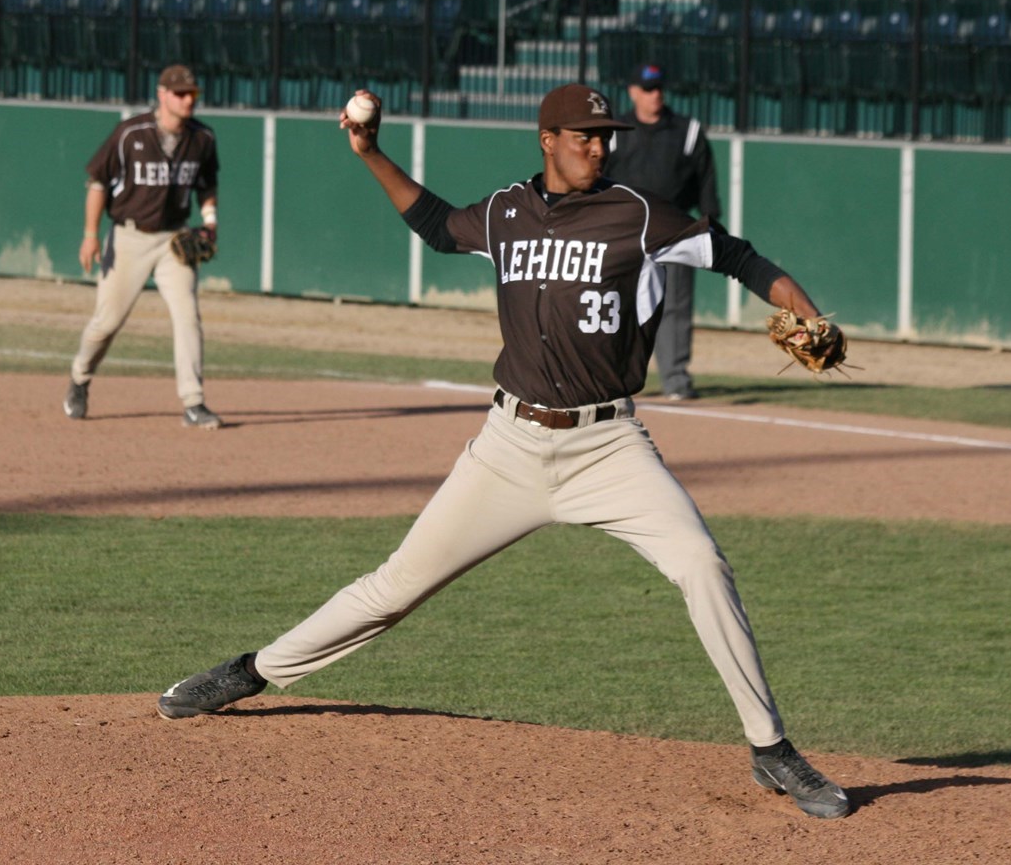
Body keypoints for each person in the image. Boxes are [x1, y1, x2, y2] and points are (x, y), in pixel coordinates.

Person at [157, 84, 853, 820]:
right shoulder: (504, 213)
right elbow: (433, 225)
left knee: (702, 564)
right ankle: (251, 670)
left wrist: (803, 312)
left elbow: (737, 256)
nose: (599, 146)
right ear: (547, 138)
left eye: (604, 135)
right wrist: (369, 152)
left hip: (609, 446)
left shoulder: (639, 215)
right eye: (584, 134)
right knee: (395, 588)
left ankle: (771, 750)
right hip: (509, 446)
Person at [64, 63, 224, 429]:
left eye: (192, 94)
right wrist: (90, 235)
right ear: (162, 94)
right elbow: (97, 182)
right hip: (129, 237)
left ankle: (194, 403)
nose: (188, 100)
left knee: (188, 318)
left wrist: (211, 223)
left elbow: (207, 185)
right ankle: (80, 377)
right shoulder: (130, 133)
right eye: (181, 93)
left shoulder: (203, 139)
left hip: (174, 239)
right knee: (106, 323)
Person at [603, 63, 722, 402]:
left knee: (674, 307)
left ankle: (675, 379)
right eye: (647, 88)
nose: (654, 94)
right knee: (617, 305)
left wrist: (711, 223)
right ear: (632, 91)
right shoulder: (616, 132)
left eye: (658, 88)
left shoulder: (688, 131)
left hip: (675, 231)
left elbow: (706, 183)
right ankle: (613, 377)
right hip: (624, 231)